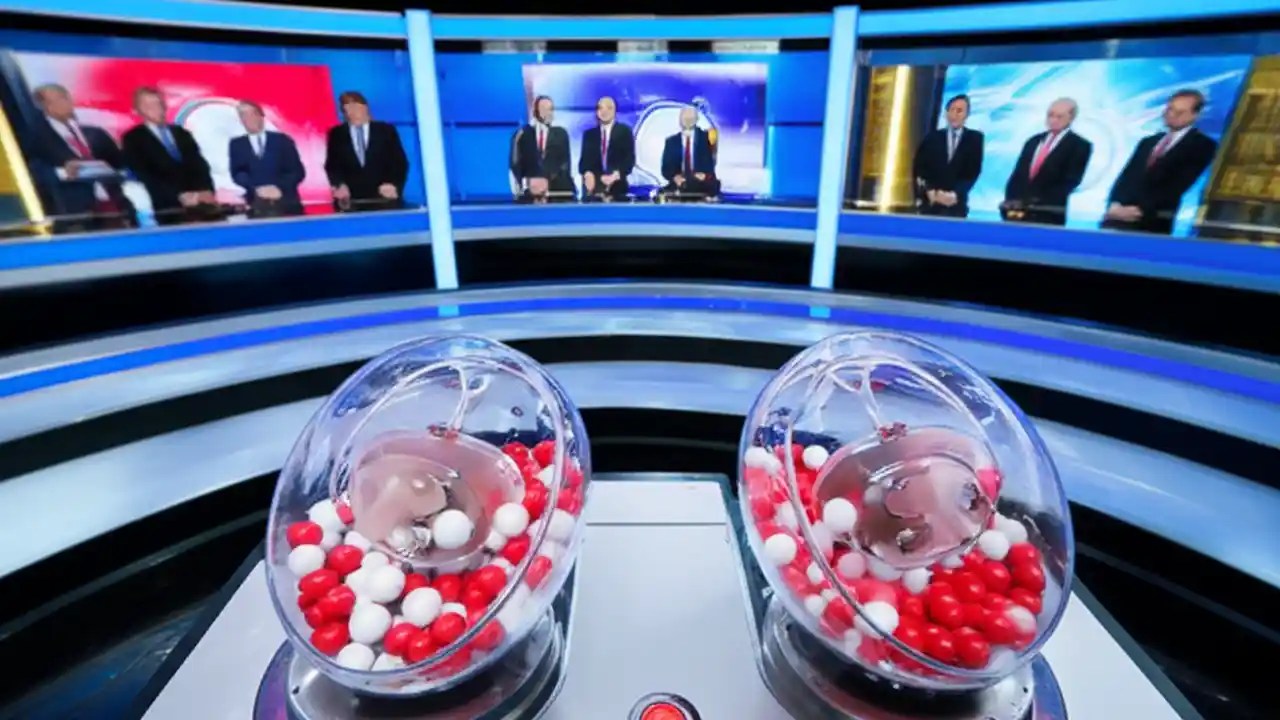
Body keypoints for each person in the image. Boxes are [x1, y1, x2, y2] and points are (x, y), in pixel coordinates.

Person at [1103, 89, 1218, 235]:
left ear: (1195, 115)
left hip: (1151, 223)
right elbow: (1125, 177)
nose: (1172, 115)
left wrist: (1135, 211)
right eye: (1170, 109)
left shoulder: (1202, 145)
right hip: (1115, 220)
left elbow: (1176, 186)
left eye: (1180, 112)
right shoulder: (1148, 142)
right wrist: (1114, 206)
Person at [25, 83, 135, 232]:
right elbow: (31, 173)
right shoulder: (36, 137)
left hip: (116, 208)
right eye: (56, 100)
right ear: (44, 106)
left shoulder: (96, 132)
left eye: (65, 97)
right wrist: (63, 172)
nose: (64, 103)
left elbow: (121, 164)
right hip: (74, 214)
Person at [121, 86, 218, 225]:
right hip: (167, 207)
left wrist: (206, 191)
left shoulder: (182, 133)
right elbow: (145, 175)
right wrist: (179, 197)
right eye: (149, 105)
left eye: (159, 103)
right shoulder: (133, 138)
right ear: (138, 110)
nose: (156, 108)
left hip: (201, 204)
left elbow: (200, 165)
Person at [1001, 98, 1093, 226]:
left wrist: (1034, 202)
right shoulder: (1033, 141)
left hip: (1048, 214)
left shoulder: (1080, 145)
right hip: (1016, 213)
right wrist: (1010, 201)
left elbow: (1071, 181)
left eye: (1059, 116)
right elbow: (1017, 174)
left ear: (1071, 118)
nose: (1053, 120)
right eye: (1050, 115)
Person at [324, 90, 409, 212]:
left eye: (356, 107)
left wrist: (393, 185)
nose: (352, 112)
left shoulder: (386, 131)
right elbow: (332, 166)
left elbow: (400, 163)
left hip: (384, 199)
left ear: (365, 108)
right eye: (347, 108)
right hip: (351, 202)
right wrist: (339, 185)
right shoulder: (337, 134)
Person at [228, 100, 306, 218]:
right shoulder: (236, 144)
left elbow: (297, 171)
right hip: (256, 205)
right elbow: (238, 173)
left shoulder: (283, 140)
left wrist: (278, 188)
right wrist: (258, 189)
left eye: (251, 114)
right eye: (243, 115)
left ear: (261, 116)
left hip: (287, 204)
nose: (248, 118)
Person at [912, 94, 984, 218]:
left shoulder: (975, 139)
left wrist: (956, 194)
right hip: (931, 204)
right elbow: (920, 168)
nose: (955, 114)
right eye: (952, 110)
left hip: (957, 206)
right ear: (946, 113)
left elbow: (973, 172)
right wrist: (930, 192)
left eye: (960, 111)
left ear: (967, 115)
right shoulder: (932, 138)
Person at [511, 95, 574, 201]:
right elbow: (515, 164)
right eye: (544, 109)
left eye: (551, 109)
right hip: (529, 193)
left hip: (556, 192)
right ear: (535, 111)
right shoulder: (523, 134)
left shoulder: (561, 134)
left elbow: (565, 165)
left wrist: (547, 181)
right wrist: (528, 183)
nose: (548, 112)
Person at [578, 96, 635, 201]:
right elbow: (583, 164)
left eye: (609, 108)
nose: (604, 111)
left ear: (615, 111)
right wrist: (587, 173)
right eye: (601, 108)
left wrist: (615, 175)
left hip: (617, 182)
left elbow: (629, 161)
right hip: (595, 183)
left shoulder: (624, 132)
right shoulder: (589, 135)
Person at [660, 106, 719, 198]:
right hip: (680, 183)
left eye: (690, 118)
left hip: (702, 183)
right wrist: (675, 177)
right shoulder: (671, 142)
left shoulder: (707, 139)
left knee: (706, 185)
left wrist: (704, 175)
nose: (687, 121)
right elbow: (666, 169)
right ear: (680, 120)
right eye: (684, 118)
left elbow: (710, 164)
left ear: (696, 120)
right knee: (664, 193)